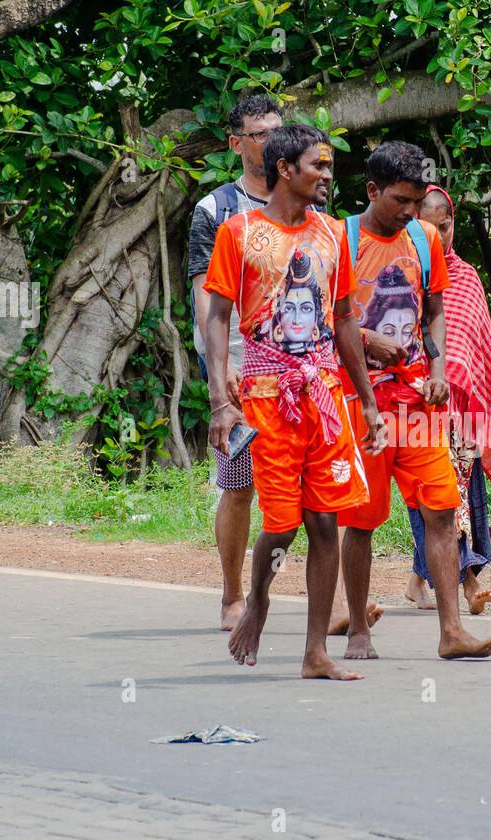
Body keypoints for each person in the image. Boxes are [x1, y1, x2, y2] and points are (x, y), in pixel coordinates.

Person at [204, 124, 387, 680]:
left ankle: (315, 652)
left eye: (330, 167)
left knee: (326, 522)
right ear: (286, 169)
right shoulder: (238, 233)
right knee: (280, 526)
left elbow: (345, 321)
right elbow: (216, 317)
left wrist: (368, 402)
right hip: (265, 399)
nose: (329, 177)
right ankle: (257, 599)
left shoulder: (333, 235)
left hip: (326, 398)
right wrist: (219, 399)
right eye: (319, 166)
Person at [336, 142, 491, 661]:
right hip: (360, 401)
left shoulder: (425, 240)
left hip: (416, 399)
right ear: (371, 191)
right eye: (399, 200)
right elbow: (325, 321)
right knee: (362, 519)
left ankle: (451, 632)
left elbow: (434, 312)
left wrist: (436, 369)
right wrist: (368, 340)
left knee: (442, 511)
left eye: (415, 201)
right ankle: (359, 629)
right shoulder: (340, 240)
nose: (408, 211)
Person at [405, 184, 491, 615]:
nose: (441, 236)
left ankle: (420, 581)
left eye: (447, 225)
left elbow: (482, 352)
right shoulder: (403, 275)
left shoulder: (468, 278)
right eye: (430, 227)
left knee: (458, 500)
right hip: (417, 410)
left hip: (462, 419)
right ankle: (468, 583)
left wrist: (475, 397)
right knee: (436, 502)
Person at [188, 95, 281, 632]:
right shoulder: (216, 210)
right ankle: (231, 593)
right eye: (259, 133)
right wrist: (218, 368)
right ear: (236, 143)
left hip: (297, 366)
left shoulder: (310, 206)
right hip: (239, 364)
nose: (270, 140)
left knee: (309, 484)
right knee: (239, 482)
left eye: (277, 130)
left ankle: (335, 602)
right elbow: (207, 296)